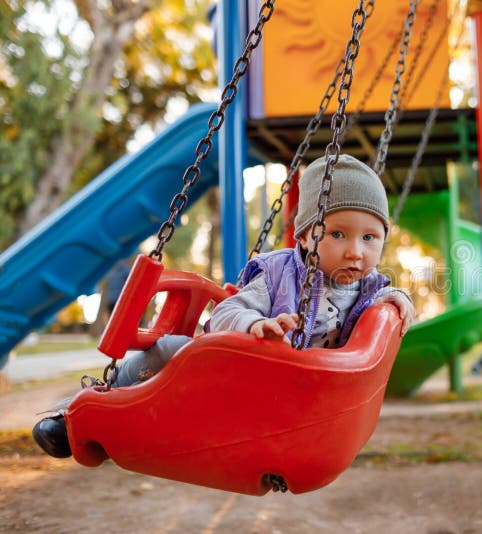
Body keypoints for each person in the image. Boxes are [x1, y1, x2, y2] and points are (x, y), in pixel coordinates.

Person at [32, 154, 415, 458]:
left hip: (293, 402)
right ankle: (89, 404)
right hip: (237, 373)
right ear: (303, 235)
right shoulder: (280, 272)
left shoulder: (371, 288)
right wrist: (253, 325)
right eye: (336, 234)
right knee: (167, 349)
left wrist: (399, 300)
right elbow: (225, 313)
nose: (355, 251)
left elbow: (382, 307)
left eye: (370, 237)